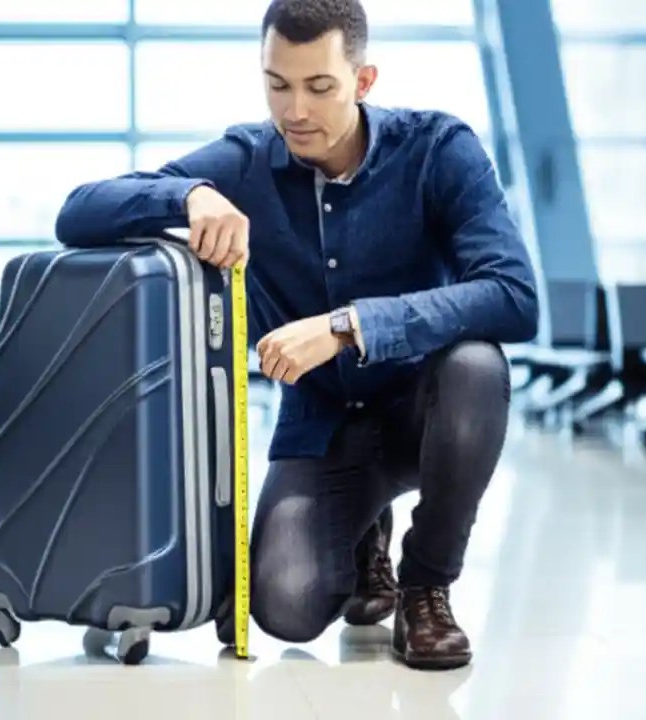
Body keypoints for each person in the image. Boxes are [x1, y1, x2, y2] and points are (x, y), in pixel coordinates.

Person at [53, 0, 538, 670]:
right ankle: (364, 531)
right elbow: (78, 211)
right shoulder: (247, 160)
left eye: (319, 87)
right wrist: (190, 195)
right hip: (325, 425)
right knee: (286, 607)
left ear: (363, 82)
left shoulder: (438, 150)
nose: (296, 111)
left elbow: (514, 295)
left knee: (477, 368)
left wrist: (352, 326)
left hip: (428, 408)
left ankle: (427, 584)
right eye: (277, 84)